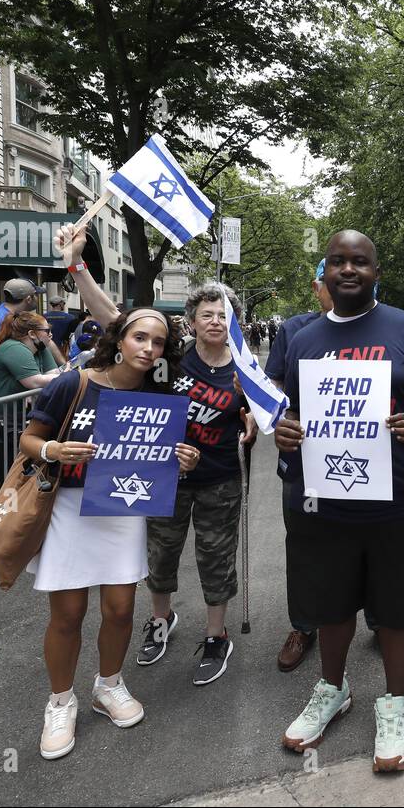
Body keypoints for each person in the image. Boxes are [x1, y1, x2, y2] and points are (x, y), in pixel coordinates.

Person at [274, 230, 404, 771]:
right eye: (338, 261)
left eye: (360, 262)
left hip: (400, 502)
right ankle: (332, 689)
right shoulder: (303, 339)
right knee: (330, 606)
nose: (348, 269)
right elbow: (293, 413)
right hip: (325, 504)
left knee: (398, 608)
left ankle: (395, 702)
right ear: (324, 273)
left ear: (377, 271)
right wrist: (285, 431)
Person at [21, 307, 199, 760]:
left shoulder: (158, 393)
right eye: (140, 338)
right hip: (69, 508)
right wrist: (53, 449)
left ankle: (109, 685)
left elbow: (169, 452)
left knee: (120, 610)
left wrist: (185, 459)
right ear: (119, 339)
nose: (148, 348)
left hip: (124, 508)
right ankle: (60, 701)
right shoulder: (74, 383)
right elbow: (29, 439)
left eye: (158, 343)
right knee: (68, 614)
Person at [138, 284, 257, 685]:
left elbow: (258, 417)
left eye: (223, 315)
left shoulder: (244, 367)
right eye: (207, 314)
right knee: (161, 552)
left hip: (219, 479)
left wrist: (252, 420)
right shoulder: (170, 361)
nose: (215, 322)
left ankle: (216, 635)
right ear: (191, 321)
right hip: (167, 477)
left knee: (216, 557)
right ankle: (160, 620)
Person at [265, 258, 333, 673]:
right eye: (331, 278)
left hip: (366, 463)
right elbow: (273, 383)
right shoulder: (294, 330)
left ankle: (379, 619)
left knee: (369, 543)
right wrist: (280, 419)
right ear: (316, 286)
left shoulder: (385, 326)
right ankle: (304, 626)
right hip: (303, 461)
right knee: (306, 544)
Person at [0, 312, 65, 530]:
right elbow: (36, 381)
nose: (50, 335)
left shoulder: (40, 348)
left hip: (3, 417)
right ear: (31, 333)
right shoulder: (14, 348)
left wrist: (60, 376)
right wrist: (65, 376)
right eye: (47, 331)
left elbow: (53, 374)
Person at [0, 278, 46, 368]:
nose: (37, 298)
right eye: (36, 294)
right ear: (29, 299)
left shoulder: (12, 315)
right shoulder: (0, 319)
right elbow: (11, 354)